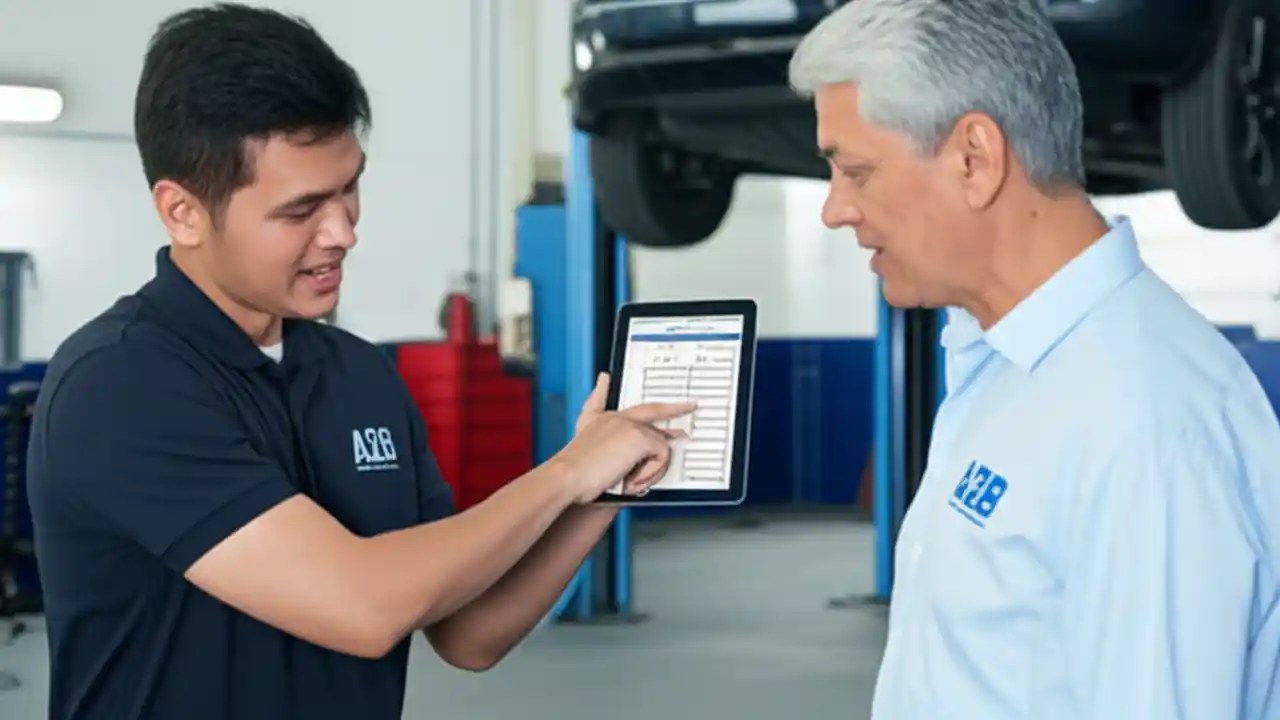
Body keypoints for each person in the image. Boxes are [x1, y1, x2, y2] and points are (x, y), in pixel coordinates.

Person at [25, 4, 690, 720]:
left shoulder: (357, 374)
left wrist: (599, 494)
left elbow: (470, 632)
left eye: (349, 187)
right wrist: (565, 471)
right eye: (301, 209)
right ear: (182, 212)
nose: (342, 231)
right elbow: (365, 607)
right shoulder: (120, 384)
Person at [788, 1, 1280, 718]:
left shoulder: (1144, 427)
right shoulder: (1004, 362)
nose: (834, 211)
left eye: (857, 172)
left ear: (974, 159)